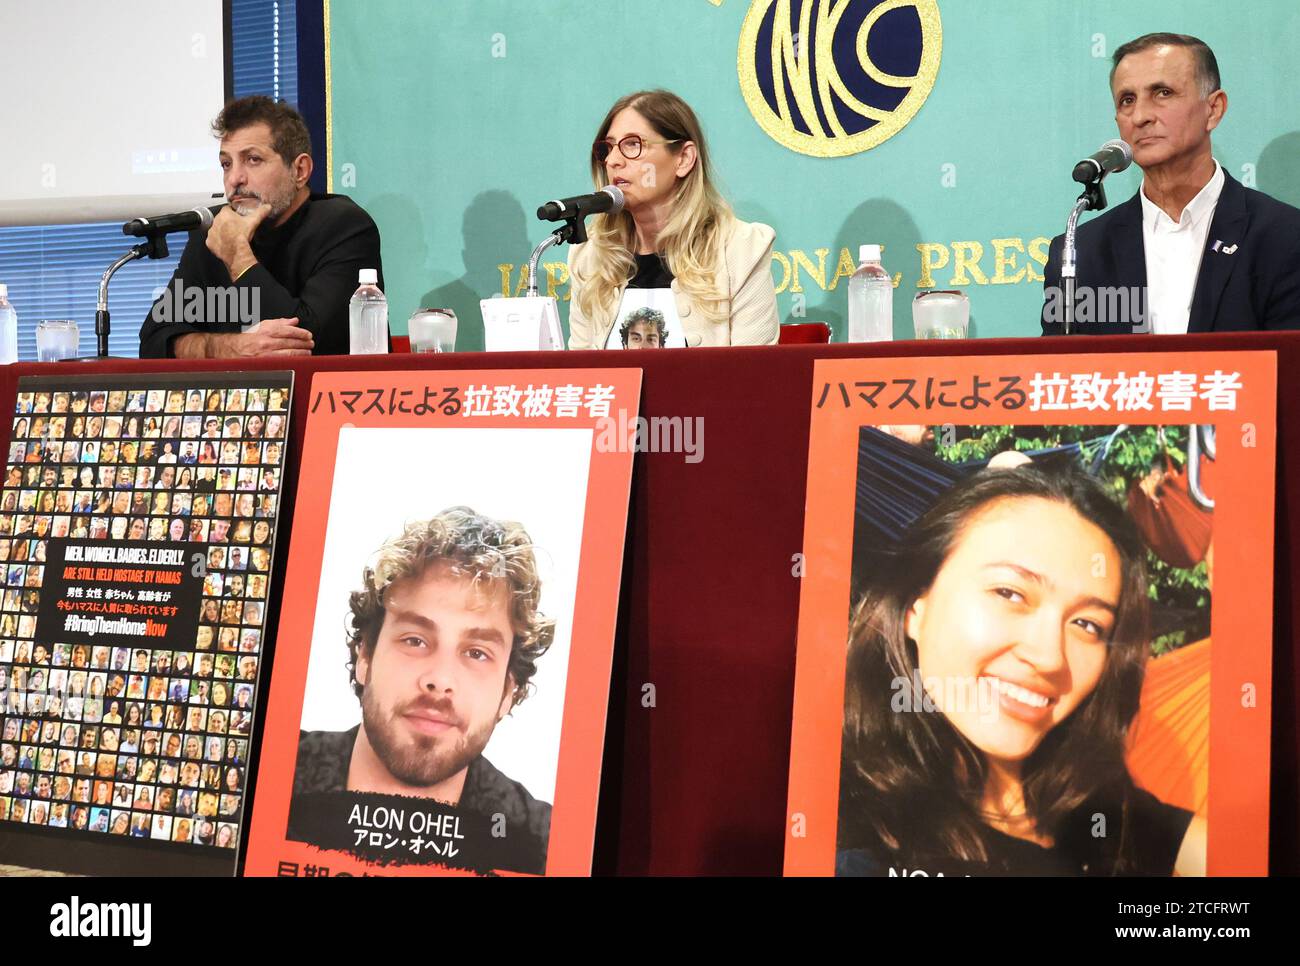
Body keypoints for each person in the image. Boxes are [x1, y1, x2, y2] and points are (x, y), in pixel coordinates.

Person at [835, 458, 1206, 876]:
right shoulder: (849, 828)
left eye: (1087, 624)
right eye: (1010, 593)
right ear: (914, 606)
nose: (1049, 658)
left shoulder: (1098, 810)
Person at [288, 507, 555, 874]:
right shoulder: (266, 777)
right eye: (415, 640)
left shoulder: (544, 848)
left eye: (477, 653)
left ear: (509, 691)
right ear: (364, 654)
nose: (441, 679)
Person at [1042, 33, 1300, 334]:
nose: (1140, 116)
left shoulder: (1284, 237)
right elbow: (1061, 372)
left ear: (1213, 109)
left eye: (1162, 93)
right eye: (1127, 100)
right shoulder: (1080, 252)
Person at [138, 95, 384, 358]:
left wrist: (238, 257)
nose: (234, 179)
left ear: (299, 170)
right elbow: (155, 341)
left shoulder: (344, 227)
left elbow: (309, 344)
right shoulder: (213, 233)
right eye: (226, 164)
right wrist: (234, 347)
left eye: (253, 159)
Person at [567, 89, 779, 349]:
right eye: (608, 148)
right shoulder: (591, 257)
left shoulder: (741, 250)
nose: (612, 160)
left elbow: (754, 376)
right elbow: (582, 374)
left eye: (633, 144)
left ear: (684, 159)